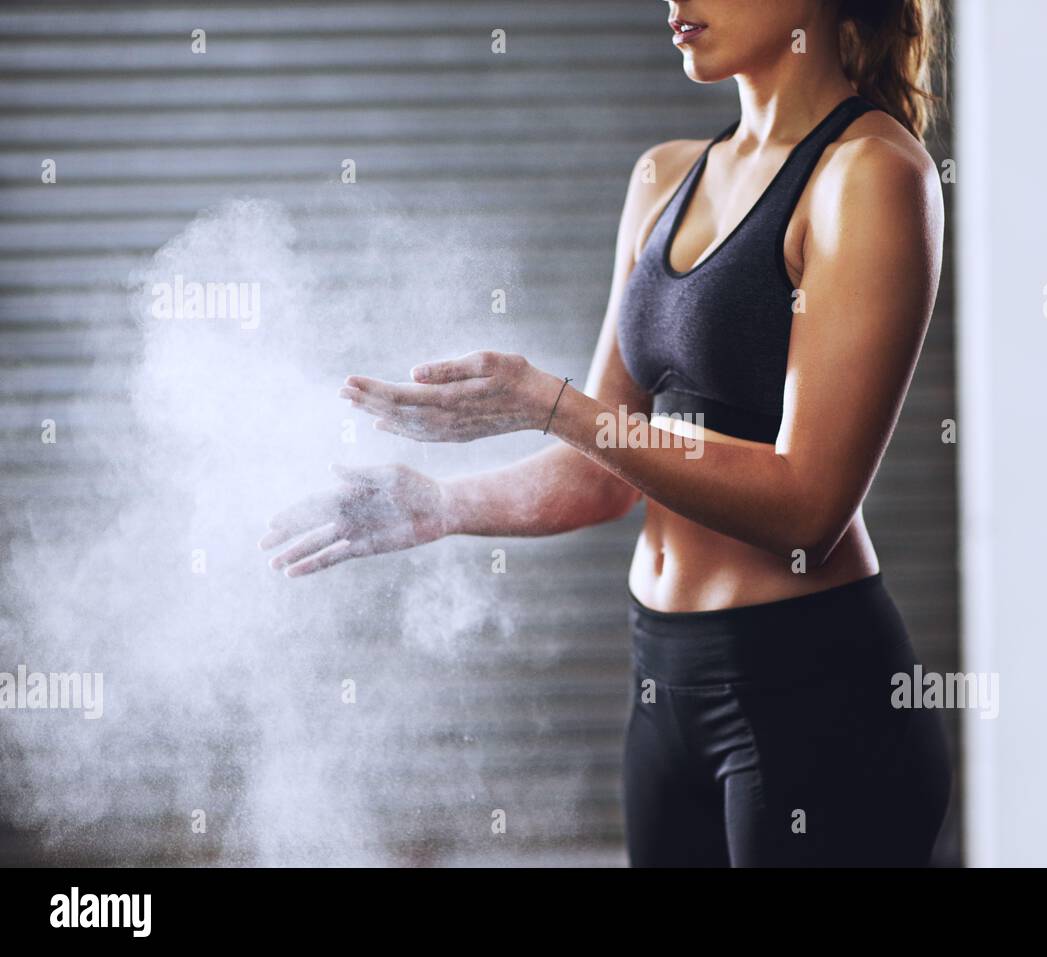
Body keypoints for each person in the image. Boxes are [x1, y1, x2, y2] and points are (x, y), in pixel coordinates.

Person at [261, 0, 952, 867]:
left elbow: (809, 499)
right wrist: (438, 503)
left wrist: (554, 404)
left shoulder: (872, 173)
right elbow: (605, 473)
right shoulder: (664, 177)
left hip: (814, 698)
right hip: (663, 686)